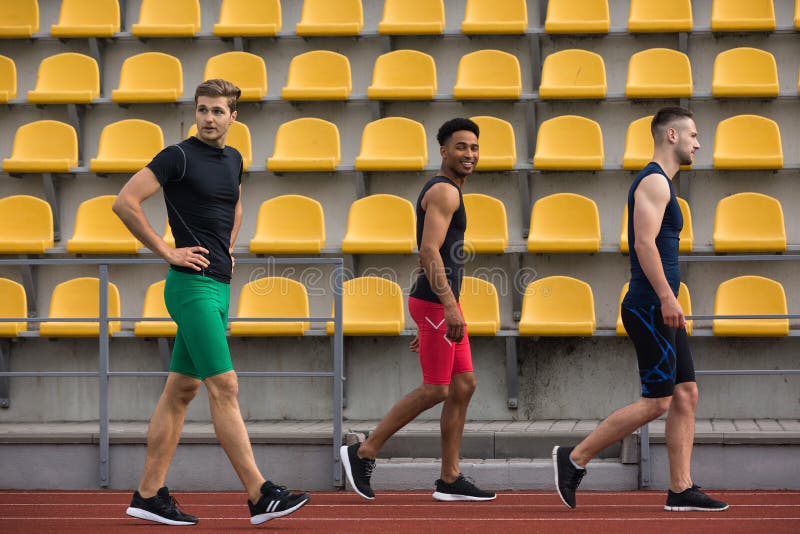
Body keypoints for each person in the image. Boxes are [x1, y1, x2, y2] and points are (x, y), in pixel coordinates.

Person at [113, 79, 310, 526]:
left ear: (233, 116)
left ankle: (147, 494)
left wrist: (228, 247)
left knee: (182, 390)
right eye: (202, 110)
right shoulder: (176, 156)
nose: (208, 118)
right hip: (190, 286)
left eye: (218, 111)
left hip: (219, 285)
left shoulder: (234, 158)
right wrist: (167, 251)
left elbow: (235, 205)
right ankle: (260, 494)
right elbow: (124, 202)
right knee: (226, 385)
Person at [552, 107, 728, 512]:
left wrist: (671, 298)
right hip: (651, 304)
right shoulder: (654, 181)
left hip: (661, 302)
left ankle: (681, 489)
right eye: (693, 136)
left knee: (686, 393)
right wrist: (668, 297)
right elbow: (644, 244)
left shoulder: (663, 183)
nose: (698, 144)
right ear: (671, 135)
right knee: (658, 401)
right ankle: (574, 458)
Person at [340, 118, 496, 502]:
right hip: (437, 302)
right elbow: (427, 251)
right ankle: (363, 452)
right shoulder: (445, 192)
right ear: (444, 151)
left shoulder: (448, 191)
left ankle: (449, 479)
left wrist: (440, 311)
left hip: (439, 303)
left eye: (474, 148)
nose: (469, 154)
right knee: (437, 388)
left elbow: (432, 253)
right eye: (461, 147)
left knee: (464, 384)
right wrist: (445, 307)